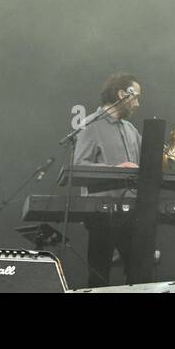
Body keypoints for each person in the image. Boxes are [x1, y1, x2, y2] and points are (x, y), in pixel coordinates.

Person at [72, 72, 142, 287]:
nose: (138, 104)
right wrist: (117, 169)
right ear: (122, 93)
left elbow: (151, 164)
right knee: (99, 277)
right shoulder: (90, 125)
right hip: (102, 215)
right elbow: (79, 168)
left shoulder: (131, 130)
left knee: (139, 274)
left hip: (132, 213)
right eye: (136, 96)